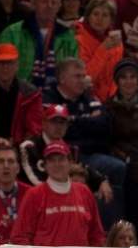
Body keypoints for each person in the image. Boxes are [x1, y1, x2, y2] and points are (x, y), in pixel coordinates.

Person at [44, 58, 124, 215]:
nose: (83, 81)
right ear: (62, 78)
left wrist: (74, 120)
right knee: (115, 167)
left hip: (94, 152)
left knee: (119, 167)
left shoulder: (88, 96)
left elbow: (105, 125)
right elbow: (60, 132)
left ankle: (112, 230)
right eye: (77, 76)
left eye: (83, 76)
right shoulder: (49, 98)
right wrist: (88, 121)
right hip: (69, 155)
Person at [10, 139, 105, 245]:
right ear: (44, 166)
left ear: (70, 163)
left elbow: (96, 234)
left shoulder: (84, 191)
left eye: (61, 159)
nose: (57, 164)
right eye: (52, 160)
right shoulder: (34, 195)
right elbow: (19, 237)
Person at [0, 0, 78, 89]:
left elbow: (74, 74)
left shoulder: (68, 36)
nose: (49, 6)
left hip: (57, 97)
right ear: (33, 4)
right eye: (44, 1)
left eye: (54, 3)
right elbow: (0, 73)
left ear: (59, 7)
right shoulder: (12, 33)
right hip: (19, 95)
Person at [76, 0, 123, 102]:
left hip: (110, 99)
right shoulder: (78, 40)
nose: (99, 19)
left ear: (111, 20)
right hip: (86, 97)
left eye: (105, 15)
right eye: (95, 14)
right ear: (88, 17)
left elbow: (115, 76)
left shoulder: (116, 41)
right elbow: (86, 77)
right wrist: (103, 49)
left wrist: (112, 98)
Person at [106, 58, 138, 157]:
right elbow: (109, 141)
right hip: (120, 157)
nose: (128, 82)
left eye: (133, 77)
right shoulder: (108, 107)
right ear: (117, 82)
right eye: (123, 78)